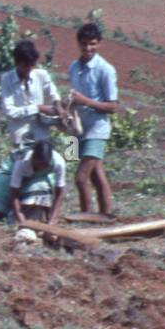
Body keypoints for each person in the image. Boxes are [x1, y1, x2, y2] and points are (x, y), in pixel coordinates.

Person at [0, 39, 65, 218]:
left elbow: (53, 91)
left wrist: (58, 106)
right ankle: (11, 211)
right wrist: (38, 108)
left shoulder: (41, 75)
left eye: (32, 66)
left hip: (41, 139)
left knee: (40, 177)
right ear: (17, 63)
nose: (29, 70)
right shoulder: (7, 79)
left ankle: (39, 212)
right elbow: (9, 111)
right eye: (26, 66)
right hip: (21, 140)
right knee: (18, 174)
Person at [67, 22, 119, 215]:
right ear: (78, 43)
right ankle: (107, 215)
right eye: (84, 43)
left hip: (97, 129)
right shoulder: (74, 67)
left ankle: (85, 217)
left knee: (81, 178)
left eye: (93, 44)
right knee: (96, 175)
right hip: (78, 129)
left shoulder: (106, 69)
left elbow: (112, 106)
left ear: (99, 44)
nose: (88, 48)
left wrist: (84, 101)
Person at [8, 139, 67, 225]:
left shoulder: (59, 162)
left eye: (45, 165)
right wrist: (20, 217)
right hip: (23, 181)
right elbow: (14, 193)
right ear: (33, 158)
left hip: (46, 180)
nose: (41, 167)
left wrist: (52, 218)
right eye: (39, 164)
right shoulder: (21, 162)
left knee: (41, 186)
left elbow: (59, 192)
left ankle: (46, 213)